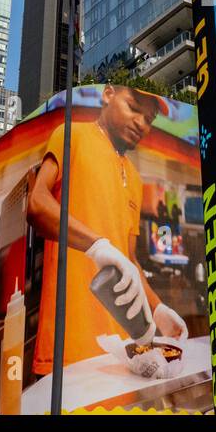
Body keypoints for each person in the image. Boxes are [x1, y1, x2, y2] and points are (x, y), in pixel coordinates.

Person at [27, 85, 188, 375]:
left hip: (123, 353)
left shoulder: (136, 179)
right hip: (69, 347)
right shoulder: (71, 135)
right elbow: (36, 204)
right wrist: (97, 245)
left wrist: (159, 309)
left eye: (149, 119)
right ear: (108, 94)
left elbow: (129, 259)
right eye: (134, 107)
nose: (141, 122)